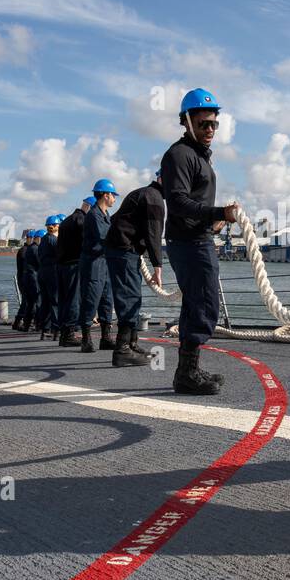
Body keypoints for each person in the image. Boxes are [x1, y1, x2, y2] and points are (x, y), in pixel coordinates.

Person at [161, 88, 239, 395]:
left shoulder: (198, 157)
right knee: (205, 303)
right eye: (203, 123)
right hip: (189, 242)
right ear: (187, 121)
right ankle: (187, 374)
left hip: (197, 237)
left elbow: (193, 204)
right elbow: (178, 201)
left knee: (196, 302)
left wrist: (215, 220)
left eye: (214, 124)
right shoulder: (179, 155)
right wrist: (218, 212)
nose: (210, 130)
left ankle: (188, 370)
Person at [104, 169, 166, 368]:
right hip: (124, 251)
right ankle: (122, 350)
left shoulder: (142, 193)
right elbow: (153, 234)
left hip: (122, 250)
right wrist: (157, 265)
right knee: (128, 297)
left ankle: (132, 344)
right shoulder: (154, 198)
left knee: (132, 296)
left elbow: (115, 220)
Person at [79, 179, 119, 353]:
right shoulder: (94, 215)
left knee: (106, 300)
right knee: (91, 299)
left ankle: (105, 338)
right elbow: (106, 237)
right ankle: (86, 339)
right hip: (94, 263)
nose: (114, 199)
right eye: (113, 195)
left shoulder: (105, 214)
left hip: (105, 262)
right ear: (105, 195)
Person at [55, 203, 87, 346]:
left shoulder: (66, 221)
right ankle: (69, 333)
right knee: (74, 299)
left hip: (62, 265)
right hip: (75, 264)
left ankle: (64, 333)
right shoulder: (82, 220)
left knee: (64, 299)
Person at [35, 215, 63, 338]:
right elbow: (60, 254)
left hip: (42, 272)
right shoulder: (53, 240)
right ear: (56, 226)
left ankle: (44, 328)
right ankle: (56, 328)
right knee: (55, 300)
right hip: (52, 272)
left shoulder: (44, 240)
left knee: (45, 301)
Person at [14, 231, 41, 331]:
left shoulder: (24, 250)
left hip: (24, 278)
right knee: (28, 302)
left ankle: (23, 322)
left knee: (27, 302)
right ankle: (21, 321)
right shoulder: (25, 250)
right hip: (26, 278)